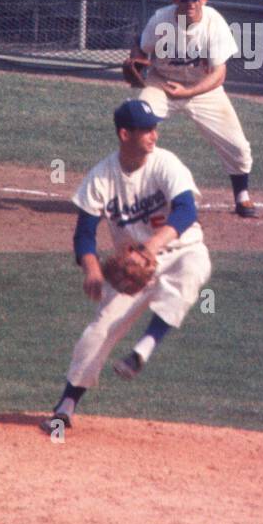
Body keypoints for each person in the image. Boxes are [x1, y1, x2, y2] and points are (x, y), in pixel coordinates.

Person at [38, 98, 212, 434]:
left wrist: (151, 247)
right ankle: (66, 405)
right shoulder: (101, 176)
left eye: (155, 128)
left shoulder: (166, 163)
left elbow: (187, 211)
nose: (154, 135)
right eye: (145, 130)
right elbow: (84, 234)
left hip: (179, 249)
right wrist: (91, 268)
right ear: (124, 134)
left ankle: (143, 349)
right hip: (132, 269)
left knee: (193, 269)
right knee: (101, 329)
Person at [127, 0, 257, 217]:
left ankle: (242, 197)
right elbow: (141, 48)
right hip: (162, 84)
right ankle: (136, 192)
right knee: (138, 124)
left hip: (203, 89)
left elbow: (219, 74)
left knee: (238, 146)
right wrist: (137, 62)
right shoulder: (160, 20)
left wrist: (188, 91)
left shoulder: (214, 22)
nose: (190, 3)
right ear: (175, 0)